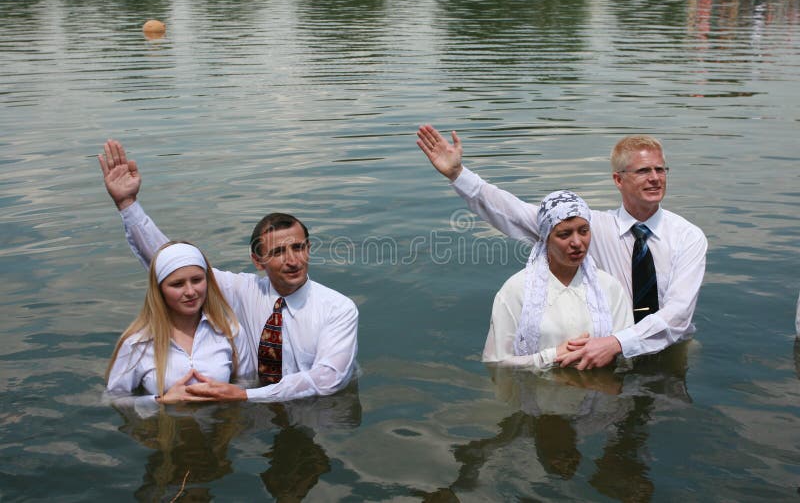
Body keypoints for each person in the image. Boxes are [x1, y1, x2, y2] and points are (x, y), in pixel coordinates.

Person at [416, 125, 707, 369]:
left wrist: (617, 342)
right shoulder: (589, 227)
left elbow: (678, 314)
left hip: (668, 348)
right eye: (643, 171)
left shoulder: (688, 237)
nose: (655, 178)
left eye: (660, 169)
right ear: (618, 179)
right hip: (604, 354)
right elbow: (513, 212)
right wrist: (459, 175)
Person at [99, 139, 358, 402]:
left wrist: (246, 395)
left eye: (298, 248)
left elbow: (328, 379)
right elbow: (173, 265)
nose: (293, 260)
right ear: (258, 261)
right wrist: (128, 205)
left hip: (317, 414)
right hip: (255, 409)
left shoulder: (338, 308)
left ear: (308, 248)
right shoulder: (244, 291)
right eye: (279, 252)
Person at [483, 190, 632, 369]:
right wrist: (551, 356)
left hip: (600, 385)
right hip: (542, 387)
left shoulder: (609, 287)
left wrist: (605, 350)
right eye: (564, 234)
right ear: (546, 238)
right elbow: (496, 362)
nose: (577, 242)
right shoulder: (516, 290)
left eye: (583, 231)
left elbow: (628, 350)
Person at [106, 241, 254, 412]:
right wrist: (160, 401)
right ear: (159, 290)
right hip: (165, 427)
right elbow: (112, 399)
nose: (190, 291)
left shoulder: (230, 331)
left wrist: (230, 393)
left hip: (221, 425)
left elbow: (248, 383)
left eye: (197, 280)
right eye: (177, 284)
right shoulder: (137, 343)